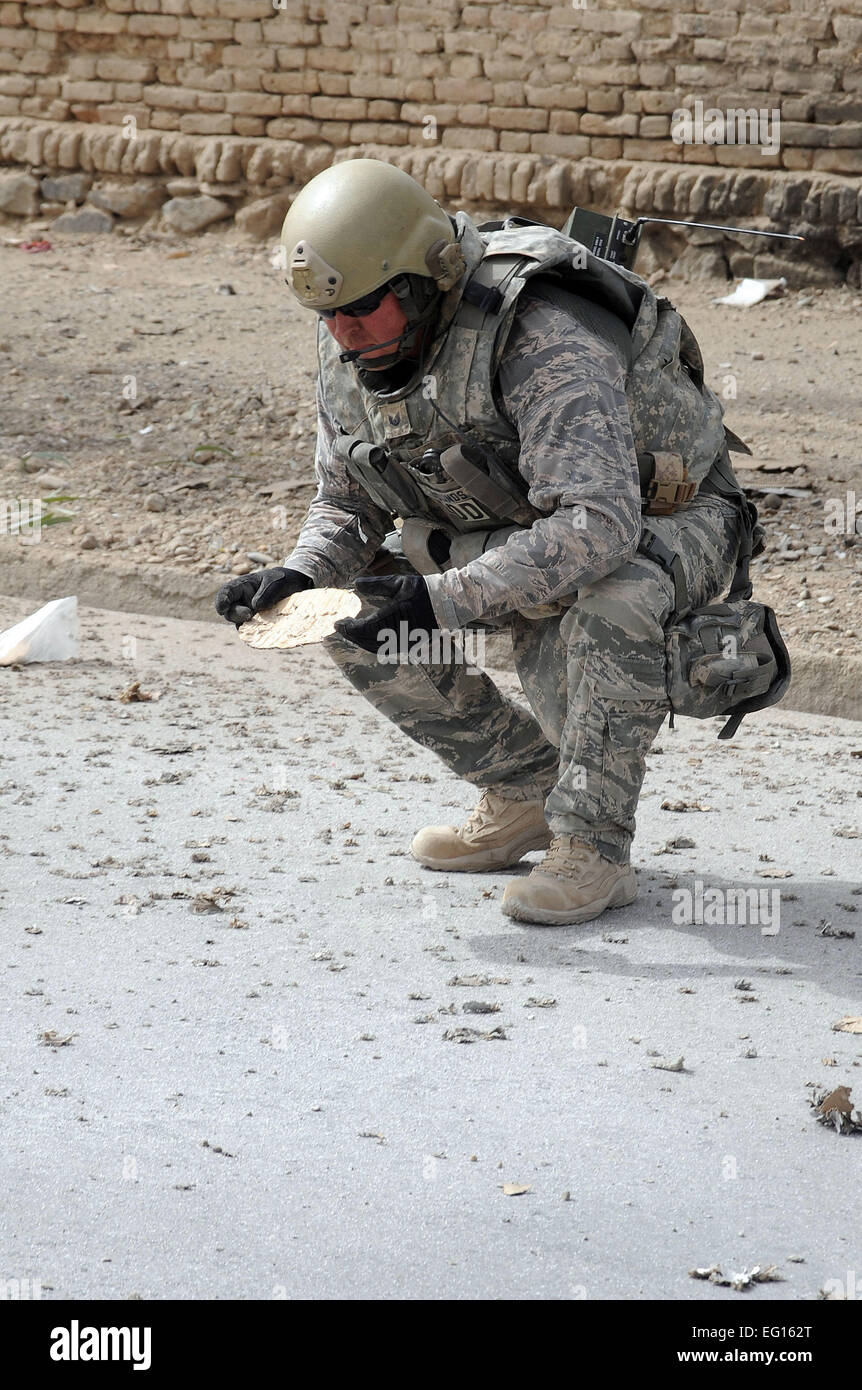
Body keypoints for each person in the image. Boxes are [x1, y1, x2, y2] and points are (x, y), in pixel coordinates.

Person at [216, 157, 755, 927]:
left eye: (364, 309)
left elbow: (600, 524)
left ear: (422, 281)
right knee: (345, 609)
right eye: (328, 316)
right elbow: (347, 501)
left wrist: (439, 599)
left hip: (672, 518)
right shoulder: (350, 341)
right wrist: (298, 575)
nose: (343, 334)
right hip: (520, 522)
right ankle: (524, 789)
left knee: (617, 593)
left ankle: (593, 848)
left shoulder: (542, 336)